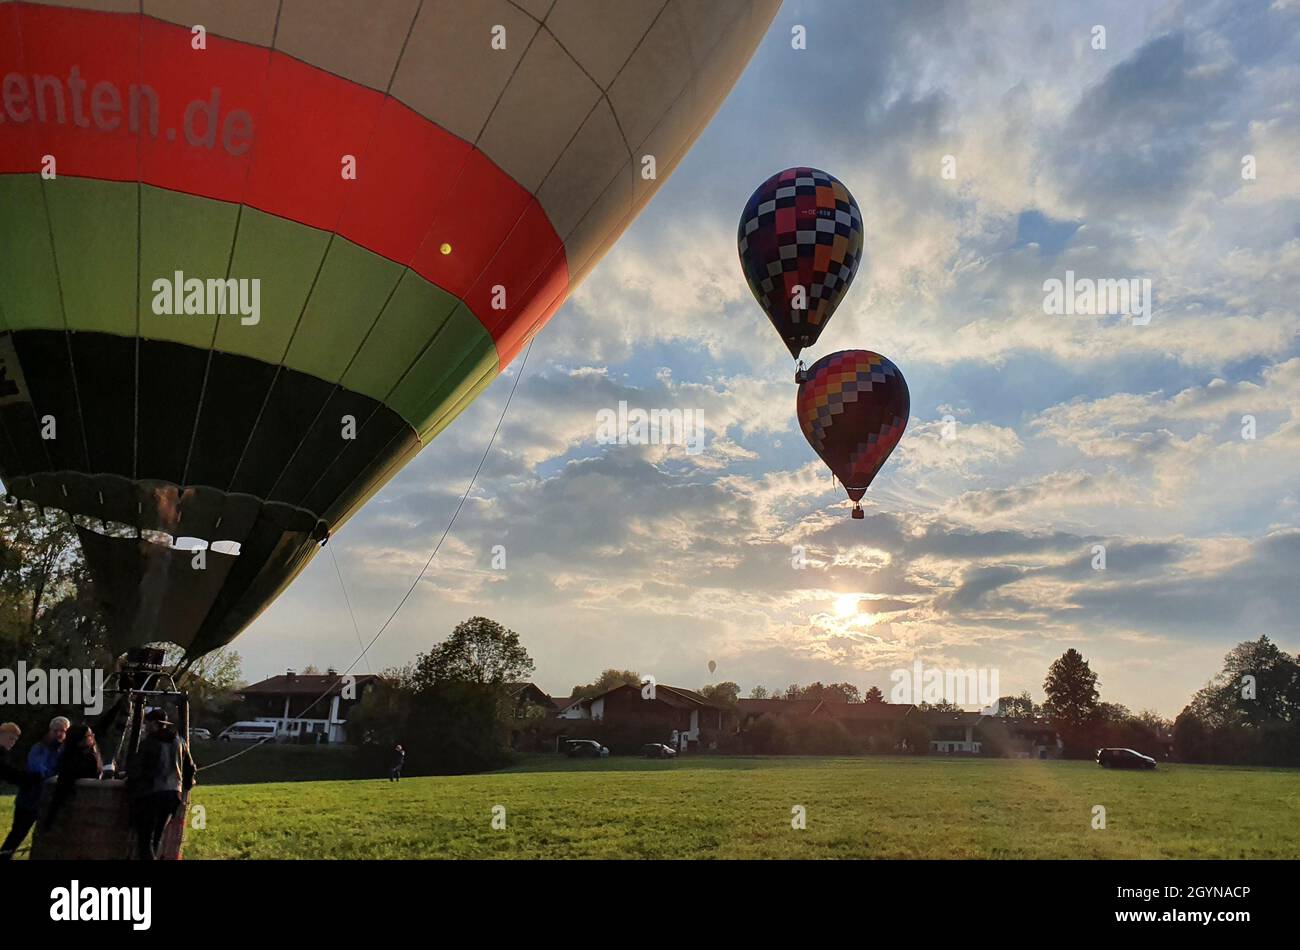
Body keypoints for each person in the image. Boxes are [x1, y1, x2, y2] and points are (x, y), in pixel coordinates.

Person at [127, 709, 196, 860]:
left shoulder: (149, 742)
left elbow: (137, 769)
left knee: (145, 840)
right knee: (157, 837)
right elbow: (190, 768)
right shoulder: (180, 741)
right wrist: (186, 786)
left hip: (151, 794)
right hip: (173, 794)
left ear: (155, 724)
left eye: (147, 723)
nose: (145, 727)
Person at [0, 716, 67, 860]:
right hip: (30, 799)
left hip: (48, 800)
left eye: (63, 731)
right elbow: (37, 769)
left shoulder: (64, 751)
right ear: (50, 731)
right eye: (56, 730)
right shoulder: (40, 748)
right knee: (18, 833)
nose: (59, 734)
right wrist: (50, 775)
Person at [43, 724, 103, 829]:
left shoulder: (89, 753)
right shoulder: (76, 761)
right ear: (79, 740)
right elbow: (62, 789)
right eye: (89, 736)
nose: (92, 737)